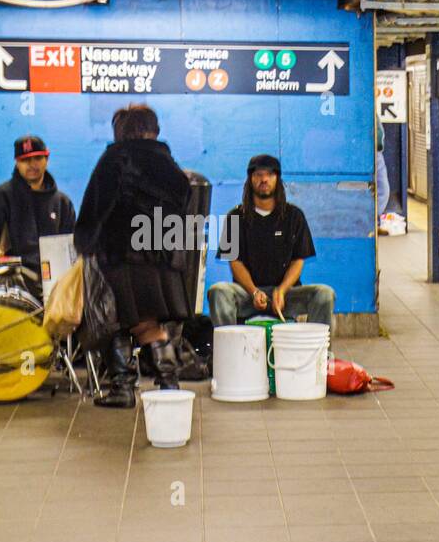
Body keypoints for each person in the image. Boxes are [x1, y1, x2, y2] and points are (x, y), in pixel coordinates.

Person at [74, 104, 192, 406]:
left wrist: (86, 244)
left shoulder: (116, 158)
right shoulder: (170, 165)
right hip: (161, 259)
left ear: (122, 130)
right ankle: (169, 384)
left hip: (121, 255)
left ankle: (123, 389)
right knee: (149, 323)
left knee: (114, 319)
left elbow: (95, 206)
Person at [207, 155, 335, 331]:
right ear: (250, 179)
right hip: (247, 294)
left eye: (269, 174)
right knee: (218, 291)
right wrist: (254, 292)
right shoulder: (234, 217)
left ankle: (319, 353)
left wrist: (281, 290)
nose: (264, 179)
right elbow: (234, 262)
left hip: (285, 295)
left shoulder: (294, 216)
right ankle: (228, 350)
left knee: (324, 294)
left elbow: (298, 261)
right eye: (258, 174)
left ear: (277, 179)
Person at [0, 135, 76, 294]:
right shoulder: (0, 197)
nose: (32, 164)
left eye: (37, 158)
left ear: (47, 158)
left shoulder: (63, 203)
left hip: (58, 291)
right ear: (17, 162)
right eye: (25, 160)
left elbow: (73, 248)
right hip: (12, 288)